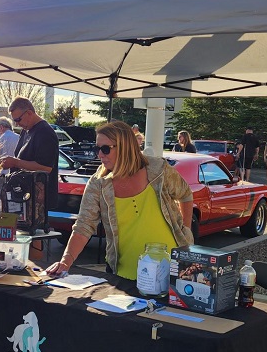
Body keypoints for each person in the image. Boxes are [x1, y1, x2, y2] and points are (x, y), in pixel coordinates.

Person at [45, 120, 194, 280]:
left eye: (105, 149)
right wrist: (65, 262)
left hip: (172, 270)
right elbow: (83, 226)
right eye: (97, 148)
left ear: (125, 147)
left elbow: (185, 195)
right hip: (123, 275)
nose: (100, 154)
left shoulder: (158, 170)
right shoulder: (99, 183)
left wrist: (185, 230)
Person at [0, 97, 59, 214]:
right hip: (24, 195)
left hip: (38, 201)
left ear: (29, 113)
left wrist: (15, 162)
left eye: (18, 119)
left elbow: (46, 167)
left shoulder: (45, 132)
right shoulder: (26, 130)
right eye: (14, 120)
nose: (17, 123)